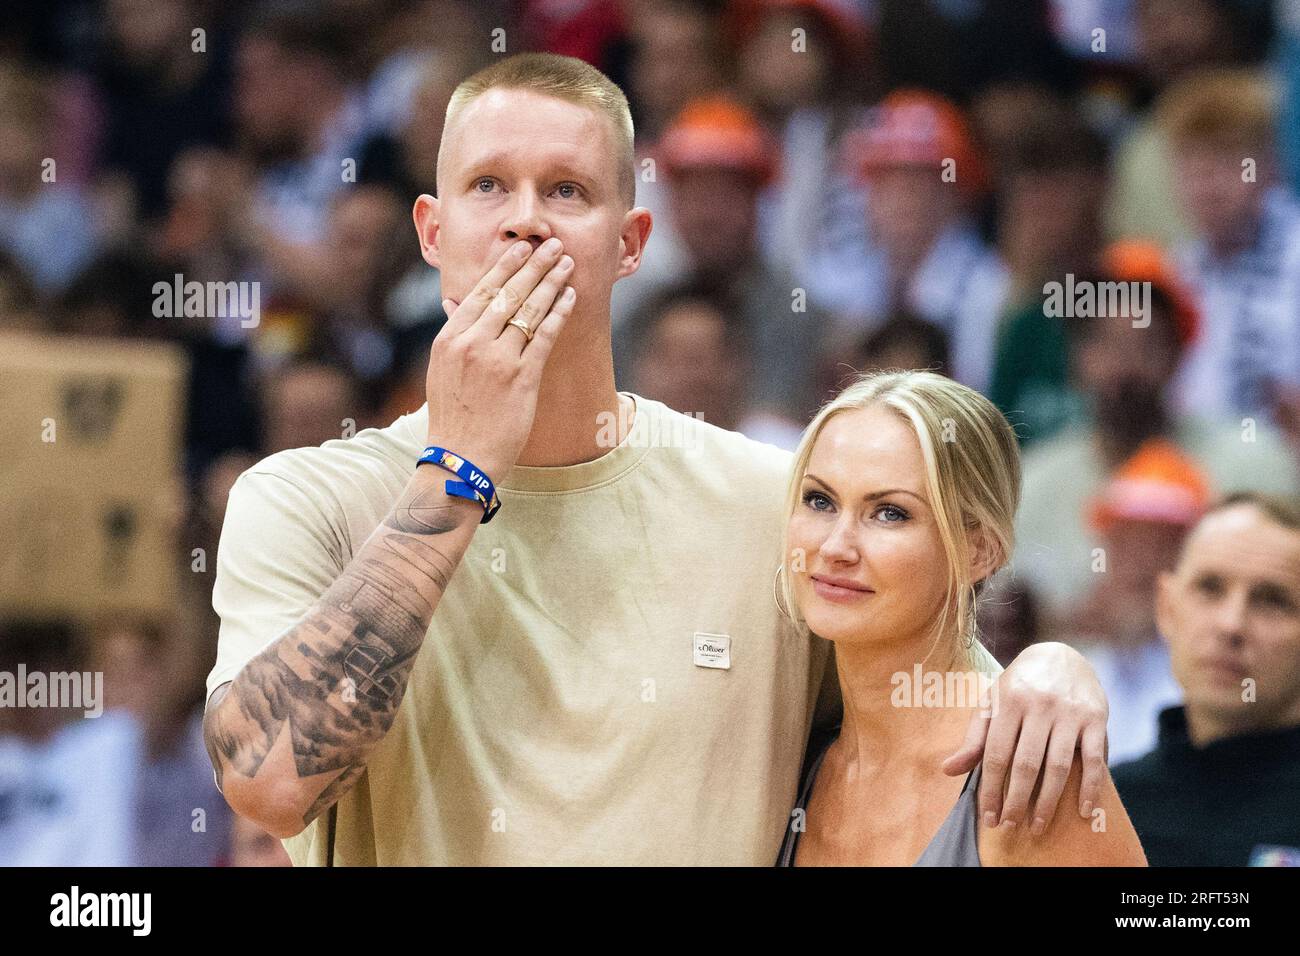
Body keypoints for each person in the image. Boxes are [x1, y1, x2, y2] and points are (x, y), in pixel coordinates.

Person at [204, 52, 1112, 866]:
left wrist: (1046, 672)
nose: (527, 224)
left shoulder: (773, 503)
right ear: (433, 232)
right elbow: (268, 782)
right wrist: (457, 471)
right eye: (489, 186)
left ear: (630, 243)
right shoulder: (302, 499)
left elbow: (940, 710)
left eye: (567, 191)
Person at [776, 371, 1146, 866]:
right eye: (820, 500)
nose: (835, 546)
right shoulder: (788, 761)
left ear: (979, 551)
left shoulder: (1028, 770)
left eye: (889, 513)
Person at [1113, 492, 1300, 865]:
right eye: (1209, 587)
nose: (1231, 624)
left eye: (1271, 600)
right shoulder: (1109, 806)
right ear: (1166, 608)